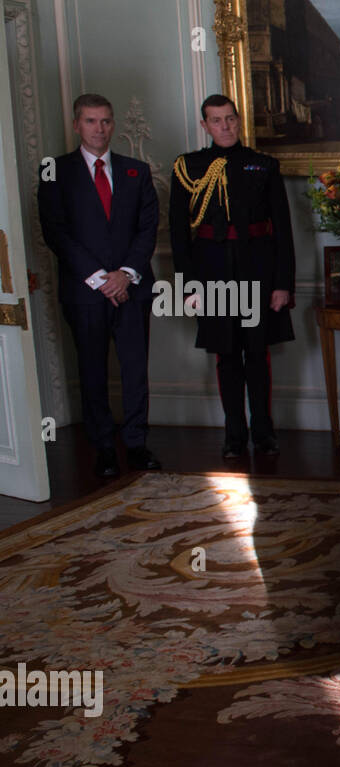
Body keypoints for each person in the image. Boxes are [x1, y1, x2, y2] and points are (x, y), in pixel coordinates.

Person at [37, 93, 160, 479]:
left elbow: (147, 229)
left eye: (105, 121)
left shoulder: (136, 171)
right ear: (77, 125)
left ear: (113, 123)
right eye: (90, 121)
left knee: (135, 369)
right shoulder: (53, 171)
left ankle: (137, 444)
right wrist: (100, 280)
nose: (99, 128)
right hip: (84, 292)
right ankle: (105, 448)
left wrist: (124, 274)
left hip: (133, 288)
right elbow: (55, 232)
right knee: (92, 371)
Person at [170, 93, 295, 459]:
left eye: (230, 119)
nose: (224, 126)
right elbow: (179, 233)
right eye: (216, 120)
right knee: (226, 357)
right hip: (212, 272)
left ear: (239, 120)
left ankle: (264, 433)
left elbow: (283, 231)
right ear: (205, 125)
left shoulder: (263, 165)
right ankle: (234, 436)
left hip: (258, 269)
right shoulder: (188, 167)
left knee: (257, 355)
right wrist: (189, 286)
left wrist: (282, 284)